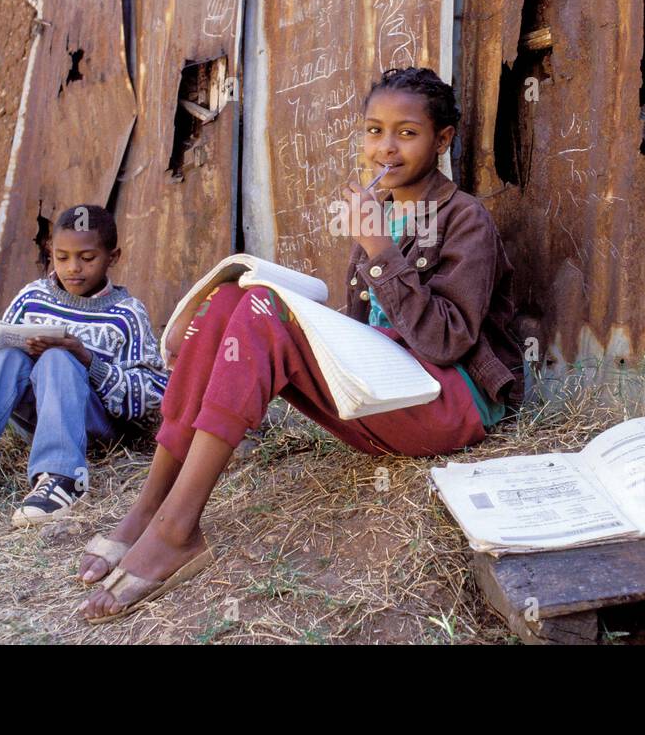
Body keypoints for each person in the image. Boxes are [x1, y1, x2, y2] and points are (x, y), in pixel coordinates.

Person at [77, 67, 523, 624]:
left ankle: (175, 529)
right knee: (228, 303)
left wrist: (379, 248)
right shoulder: (377, 210)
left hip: (447, 403)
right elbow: (370, 330)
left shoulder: (466, 220)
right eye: (373, 130)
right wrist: (212, 351)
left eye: (407, 133)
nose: (385, 146)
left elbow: (443, 341)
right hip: (384, 395)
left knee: (264, 311)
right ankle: (149, 507)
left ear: (444, 139)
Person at [0, 204, 169, 534]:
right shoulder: (32, 298)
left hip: (93, 424)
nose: (73, 268)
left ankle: (60, 478)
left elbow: (153, 394)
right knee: (6, 358)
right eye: (62, 257)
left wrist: (87, 359)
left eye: (87, 258)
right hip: (35, 416)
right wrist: (11, 354)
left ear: (113, 257)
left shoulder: (127, 314)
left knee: (61, 357)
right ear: (51, 253)